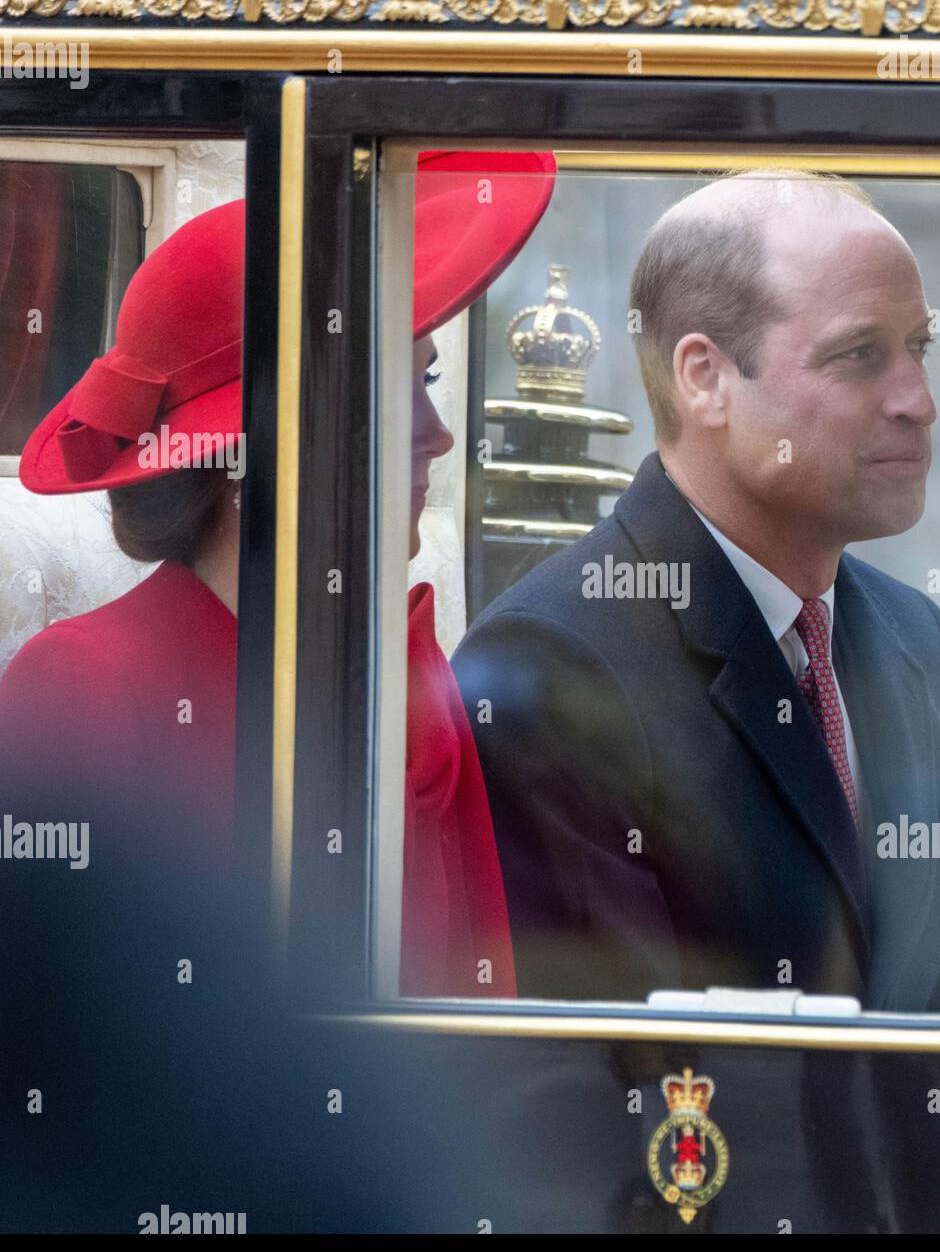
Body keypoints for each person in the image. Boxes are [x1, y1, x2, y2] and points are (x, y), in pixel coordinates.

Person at [0, 151, 556, 999]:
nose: (436, 434)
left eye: (429, 380)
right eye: (389, 388)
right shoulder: (81, 689)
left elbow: (482, 1018)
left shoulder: (402, 671)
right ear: (250, 452)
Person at [452, 169, 940, 1013]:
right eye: (859, 354)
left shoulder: (919, 642)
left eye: (917, 348)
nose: (917, 402)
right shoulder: (553, 666)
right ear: (704, 377)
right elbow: (617, 1092)